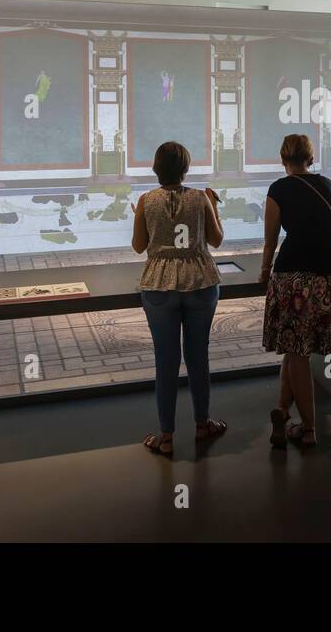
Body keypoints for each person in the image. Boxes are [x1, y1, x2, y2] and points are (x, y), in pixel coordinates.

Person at [131, 141, 226, 457]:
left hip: (159, 284)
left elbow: (139, 246)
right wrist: (215, 206)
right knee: (198, 356)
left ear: (156, 168)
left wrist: (140, 217)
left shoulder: (146, 200)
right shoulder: (201, 198)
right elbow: (216, 239)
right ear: (186, 168)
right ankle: (202, 424)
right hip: (199, 281)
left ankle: (167, 436)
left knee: (166, 361)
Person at [260, 134, 331, 449]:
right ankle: (282, 411)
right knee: (295, 351)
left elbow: (270, 241)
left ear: (283, 158)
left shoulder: (278, 189)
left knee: (296, 353)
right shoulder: (327, 185)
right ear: (310, 156)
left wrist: (265, 271)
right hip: (324, 273)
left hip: (291, 275)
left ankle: (308, 429)